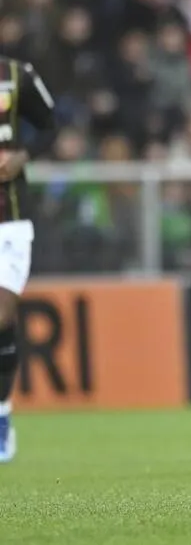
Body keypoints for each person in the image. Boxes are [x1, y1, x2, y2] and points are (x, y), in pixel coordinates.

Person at [0, 56, 57, 463]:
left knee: (1, 316)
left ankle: (1, 414)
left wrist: (23, 153)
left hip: (10, 220)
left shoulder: (16, 75)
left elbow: (50, 126)